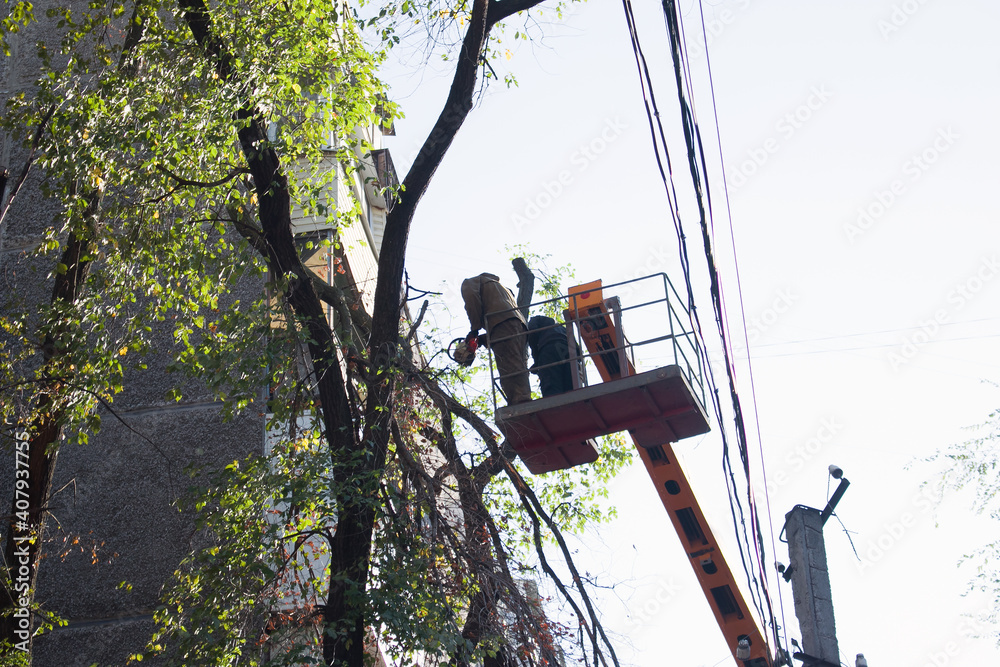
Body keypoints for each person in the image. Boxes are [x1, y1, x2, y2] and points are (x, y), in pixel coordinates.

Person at [461, 273, 531, 405]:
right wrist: (481, 340)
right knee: (516, 363)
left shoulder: (470, 283)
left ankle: (519, 402)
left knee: (508, 366)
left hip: (502, 324)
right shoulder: (503, 289)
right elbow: (504, 331)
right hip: (520, 327)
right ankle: (523, 397)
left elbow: (471, 300)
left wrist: (474, 330)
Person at [526, 315, 581, 397]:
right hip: (567, 351)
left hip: (549, 349)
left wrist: (537, 361)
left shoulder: (535, 319)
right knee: (571, 386)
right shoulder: (563, 328)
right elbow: (577, 352)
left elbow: (532, 333)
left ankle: (555, 407)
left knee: (551, 387)